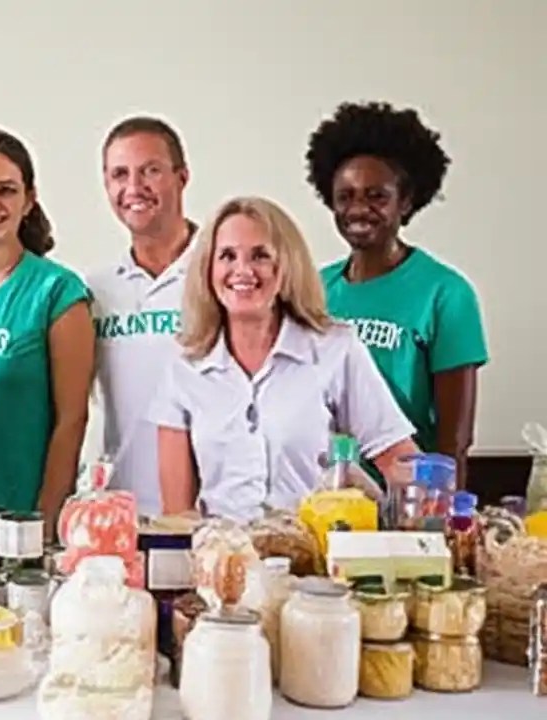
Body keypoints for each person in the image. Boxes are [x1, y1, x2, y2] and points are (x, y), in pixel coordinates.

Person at [149, 196, 419, 521]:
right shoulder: (183, 364)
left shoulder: (334, 348)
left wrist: (424, 523)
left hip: (316, 547)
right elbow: (178, 515)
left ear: (287, 266)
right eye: (227, 256)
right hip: (223, 549)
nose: (242, 270)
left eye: (260, 255)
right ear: (208, 269)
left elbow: (399, 461)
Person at [306, 101, 487, 489]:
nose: (358, 209)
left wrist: (438, 512)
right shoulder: (314, 289)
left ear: (405, 201)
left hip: (408, 499)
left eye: (376, 196)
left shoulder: (446, 294)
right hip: (326, 497)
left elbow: (454, 442)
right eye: (345, 196)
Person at [0, 128, 93, 531]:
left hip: (18, 522)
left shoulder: (57, 291)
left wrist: (43, 523)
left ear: (28, 200)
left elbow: (72, 421)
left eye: (7, 190)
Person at [87, 116, 199, 516]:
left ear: (182, 177)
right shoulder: (96, 290)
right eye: (120, 174)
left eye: (150, 170)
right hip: (125, 515)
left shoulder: (223, 275)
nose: (134, 187)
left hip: (213, 517)